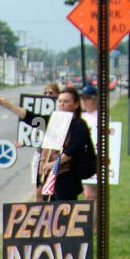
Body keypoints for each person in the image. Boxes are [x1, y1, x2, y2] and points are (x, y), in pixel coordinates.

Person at [0, 83, 60, 201]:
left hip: (56, 158)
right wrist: (25, 141)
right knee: (38, 192)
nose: (47, 95)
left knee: (53, 193)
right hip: (41, 156)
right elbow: (32, 120)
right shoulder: (42, 114)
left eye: (51, 93)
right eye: (45, 93)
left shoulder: (60, 116)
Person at [47, 86, 96, 202]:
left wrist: (53, 164)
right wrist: (9, 106)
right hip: (54, 176)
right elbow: (33, 119)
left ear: (76, 104)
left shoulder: (78, 125)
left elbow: (73, 150)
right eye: (60, 101)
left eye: (66, 101)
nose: (61, 104)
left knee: (64, 213)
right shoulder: (57, 123)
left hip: (67, 176)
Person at [78, 84, 99, 212]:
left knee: (92, 194)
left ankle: (95, 226)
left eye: (87, 98)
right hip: (82, 158)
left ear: (95, 99)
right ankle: (90, 224)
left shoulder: (101, 116)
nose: (84, 102)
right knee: (86, 194)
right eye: (82, 98)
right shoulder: (81, 116)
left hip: (95, 158)